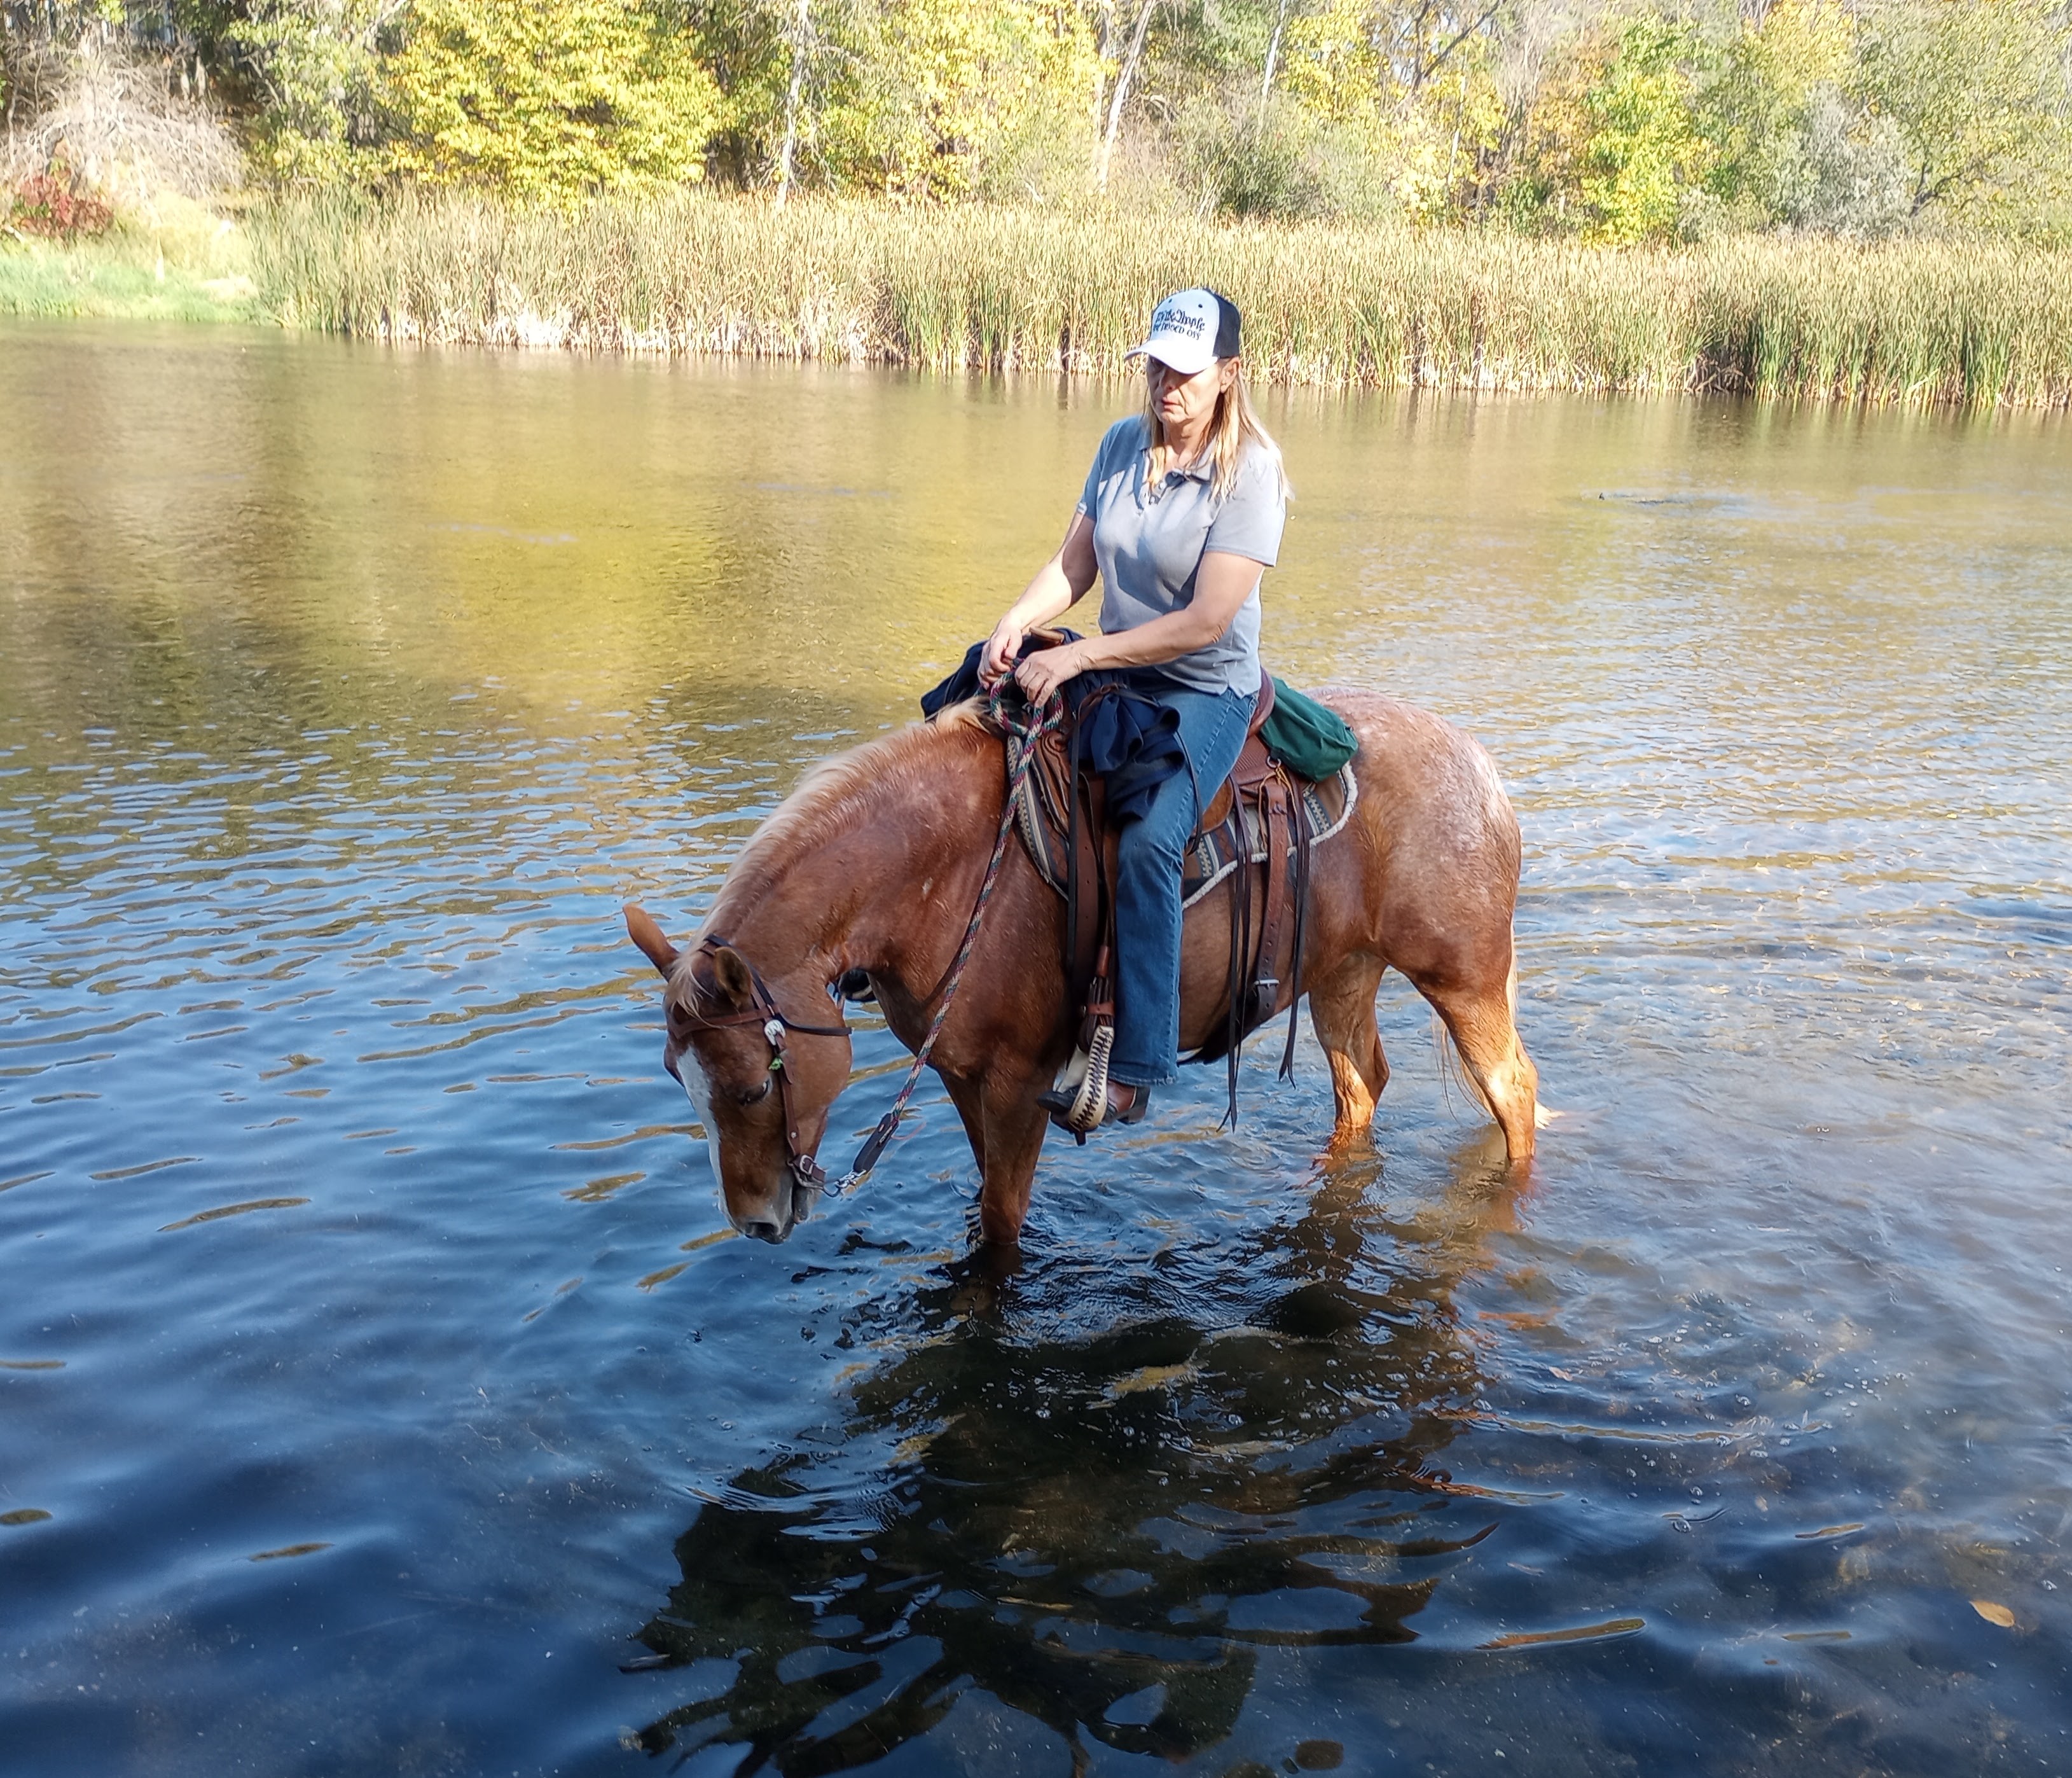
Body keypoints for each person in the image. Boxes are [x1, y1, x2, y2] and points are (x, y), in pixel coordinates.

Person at [977, 287, 1288, 1129]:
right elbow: (1071, 569)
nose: (1166, 384)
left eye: (1185, 371)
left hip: (1201, 689)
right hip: (1117, 675)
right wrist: (1018, 619)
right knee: (985, 737)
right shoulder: (1120, 443)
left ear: (1228, 373)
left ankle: (1139, 1062)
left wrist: (1076, 653)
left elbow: (1204, 621)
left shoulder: (1251, 473)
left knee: (1149, 836)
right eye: (1156, 365)